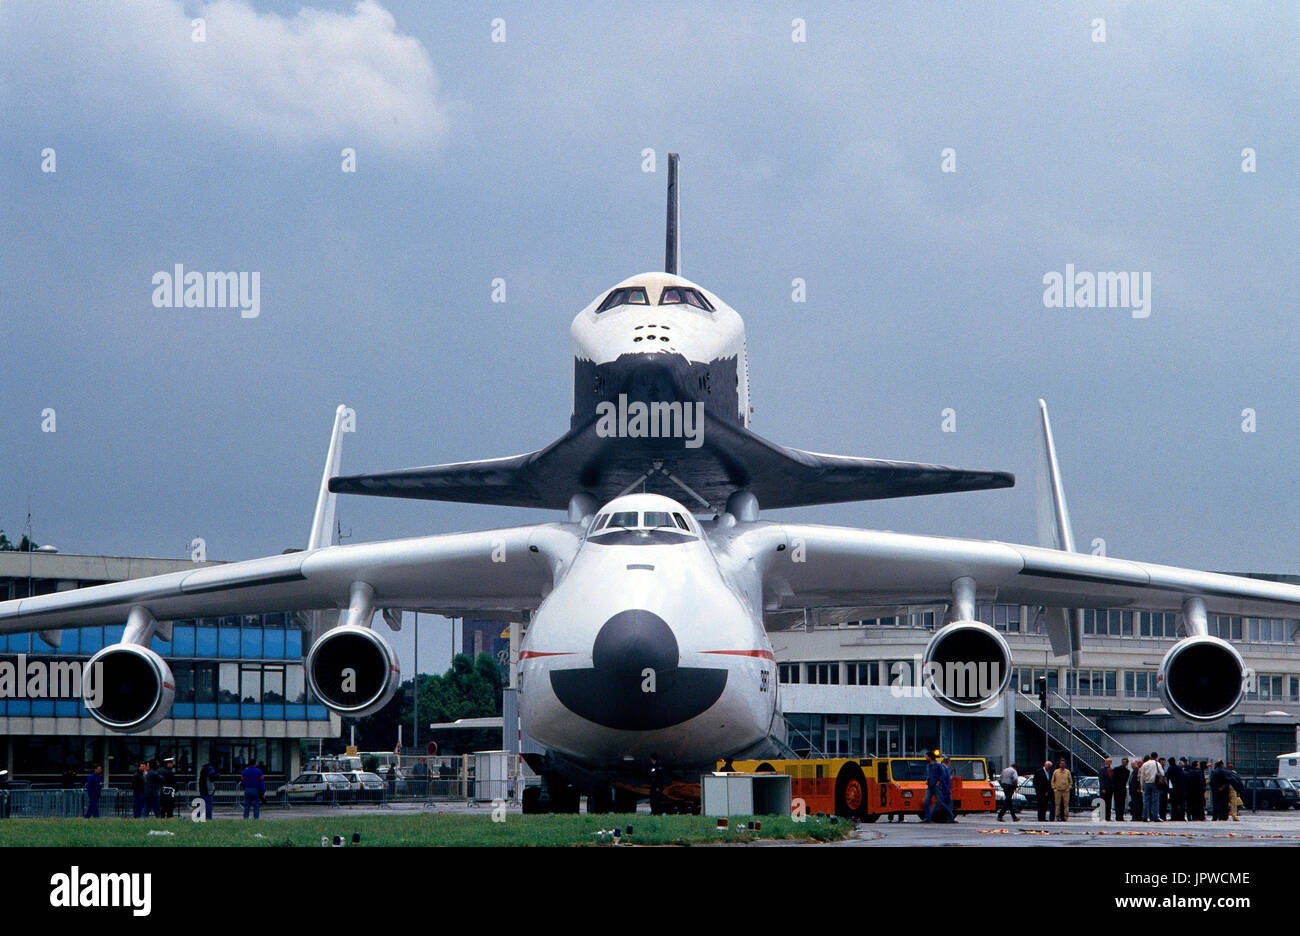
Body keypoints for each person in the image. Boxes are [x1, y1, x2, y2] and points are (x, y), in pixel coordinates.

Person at [1140, 752, 1163, 822]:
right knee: (1155, 801)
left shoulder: (1145, 764)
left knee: (1146, 801)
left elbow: (1142, 775)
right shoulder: (1157, 764)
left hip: (1147, 783)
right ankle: (1155, 817)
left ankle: (1145, 816)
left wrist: (1142, 785)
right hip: (1155, 783)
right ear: (1156, 757)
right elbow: (1162, 773)